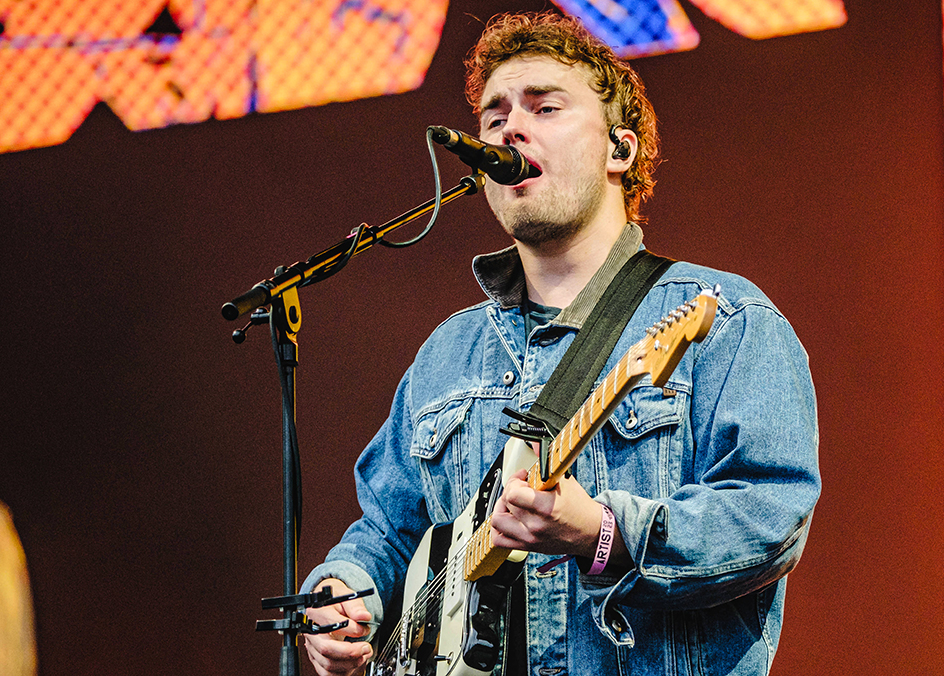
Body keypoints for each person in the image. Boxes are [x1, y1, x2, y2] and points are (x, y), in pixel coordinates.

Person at [301, 12, 820, 676]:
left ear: (620, 150)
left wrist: (603, 533)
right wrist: (344, 592)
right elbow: (384, 531)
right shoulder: (445, 356)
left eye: (546, 107)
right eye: (494, 118)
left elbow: (769, 517)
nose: (510, 127)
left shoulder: (724, 318)